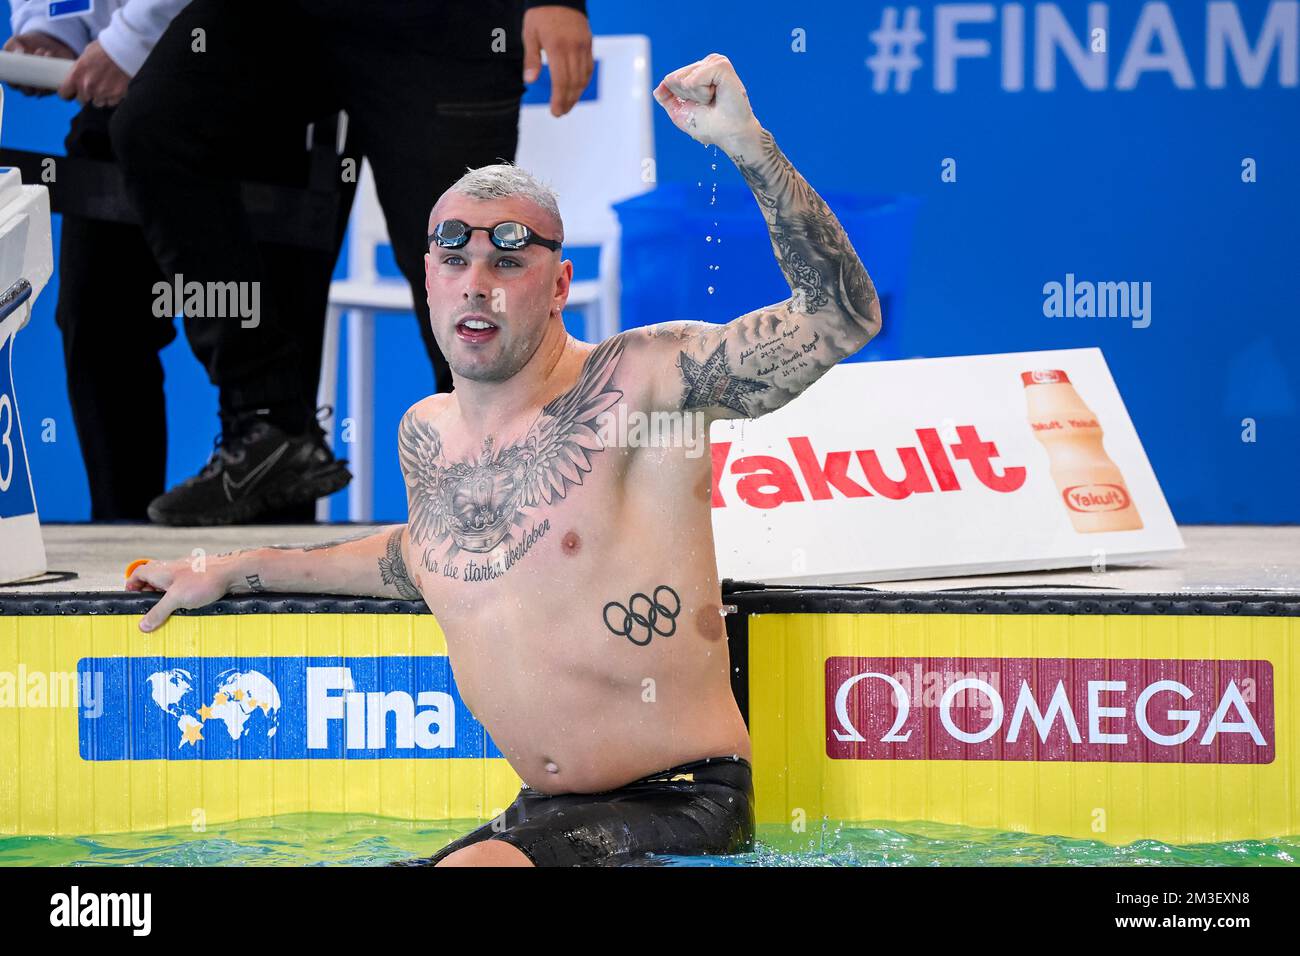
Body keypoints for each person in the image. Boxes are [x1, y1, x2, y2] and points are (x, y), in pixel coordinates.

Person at [125, 53, 883, 866]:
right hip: (539, 818)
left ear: (559, 285)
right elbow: (418, 557)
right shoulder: (428, 432)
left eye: (507, 263)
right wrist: (235, 567)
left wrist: (747, 145)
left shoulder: (642, 382)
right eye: (455, 262)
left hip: (680, 804)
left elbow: (842, 316)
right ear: (427, 278)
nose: (476, 285)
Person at [108, 0, 594, 526]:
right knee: (154, 121)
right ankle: (269, 419)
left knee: (460, 253)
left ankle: (493, 481)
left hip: (444, 26)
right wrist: (123, 39)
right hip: (286, 18)